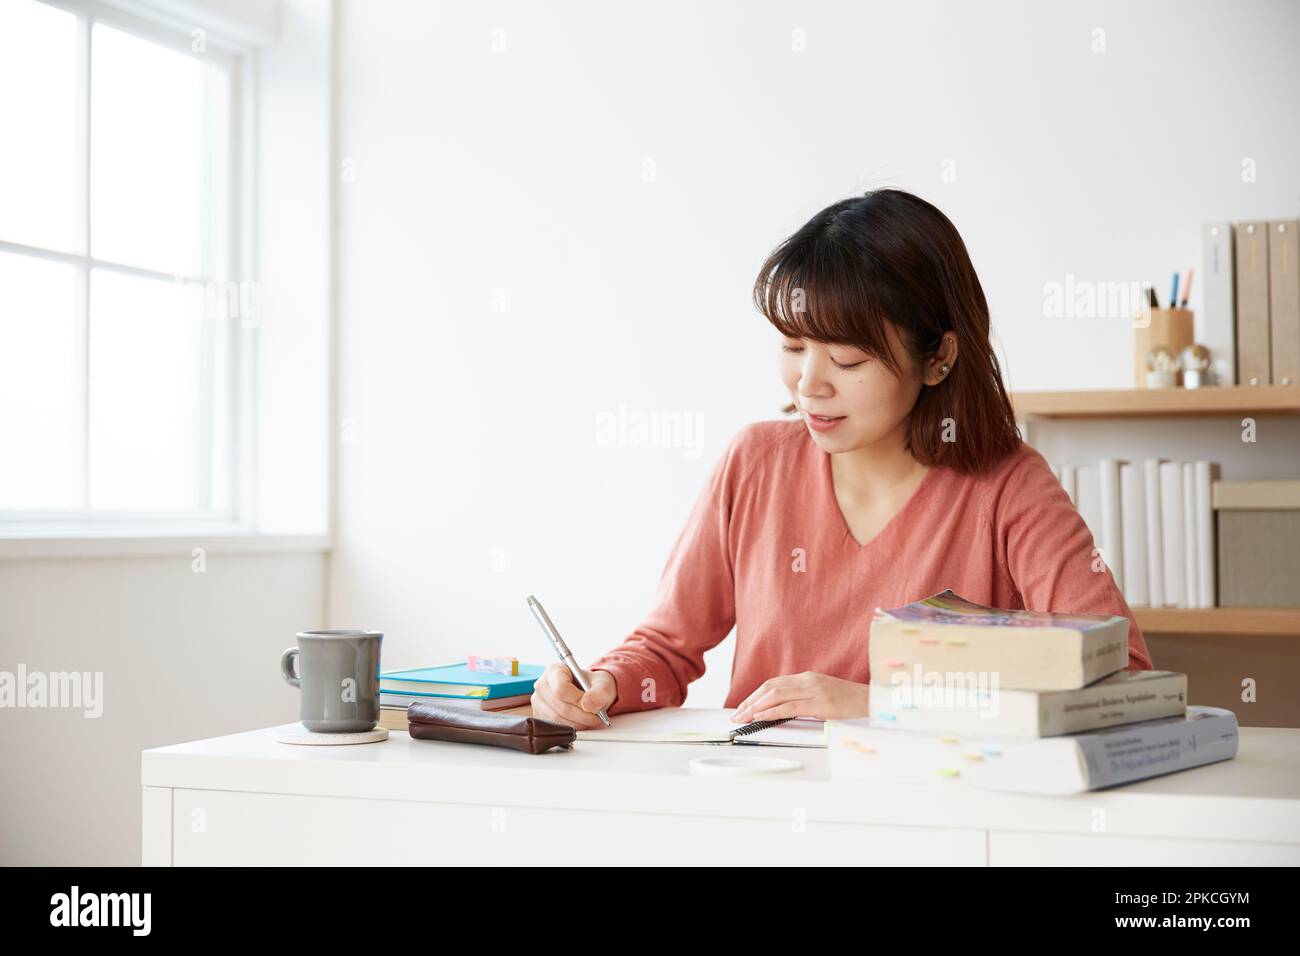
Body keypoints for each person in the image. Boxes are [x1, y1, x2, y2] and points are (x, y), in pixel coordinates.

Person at [531, 188, 1153, 730]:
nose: (809, 384)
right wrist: (603, 683)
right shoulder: (755, 462)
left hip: (929, 811)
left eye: (848, 360)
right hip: (766, 795)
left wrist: (882, 704)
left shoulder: (1007, 486)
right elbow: (665, 651)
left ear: (938, 356)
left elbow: (1117, 676)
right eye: (793, 347)